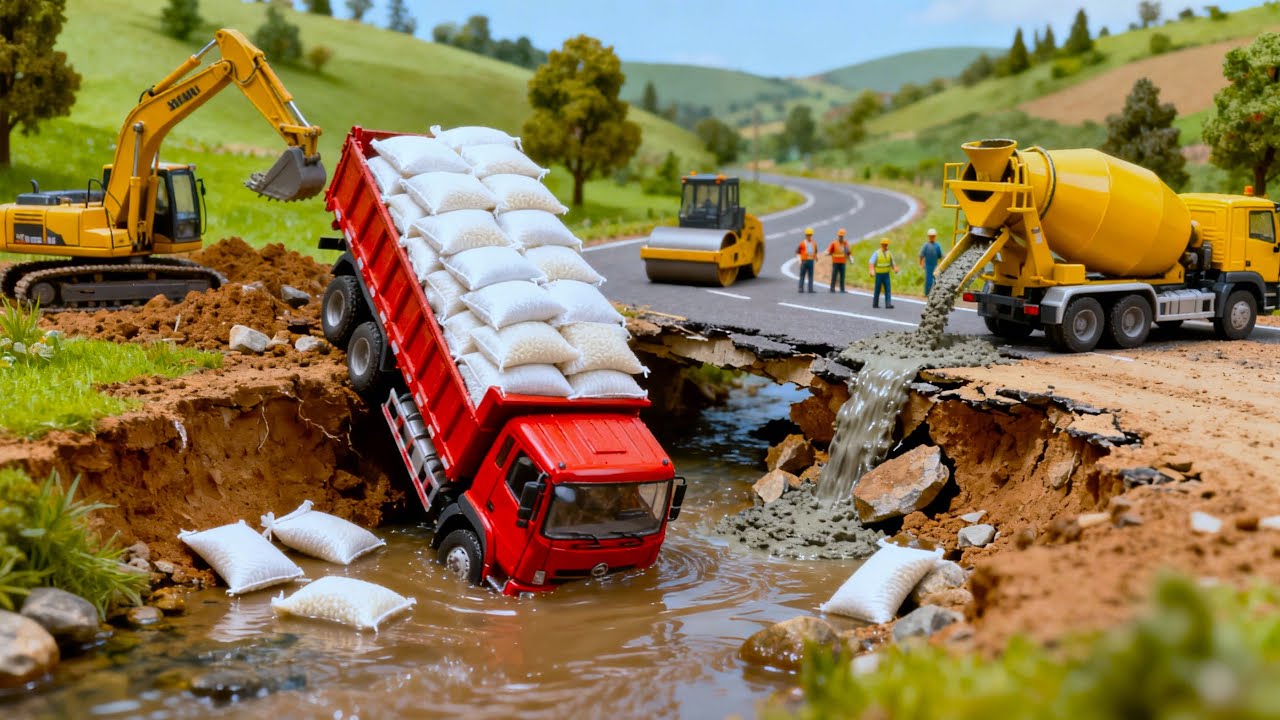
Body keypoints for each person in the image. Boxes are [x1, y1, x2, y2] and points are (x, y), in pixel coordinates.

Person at [868, 237, 899, 308]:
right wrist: (872, 271)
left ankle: (888, 304)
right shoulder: (877, 253)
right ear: (881, 244)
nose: (885, 245)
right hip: (879, 274)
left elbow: (892, 263)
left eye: (886, 244)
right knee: (877, 289)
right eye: (883, 244)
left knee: (888, 289)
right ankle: (875, 303)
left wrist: (895, 268)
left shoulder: (889, 253)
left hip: (886, 275)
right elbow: (871, 262)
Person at [918, 228, 944, 296]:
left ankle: (934, 293)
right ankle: (927, 293)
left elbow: (940, 256)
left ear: (935, 237)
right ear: (928, 237)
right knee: (928, 280)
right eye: (930, 236)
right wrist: (920, 263)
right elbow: (921, 255)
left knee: (935, 279)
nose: (932, 238)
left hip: (935, 265)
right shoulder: (926, 246)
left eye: (933, 236)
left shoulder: (937, 246)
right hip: (928, 265)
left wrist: (942, 264)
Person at [827, 228, 850, 293]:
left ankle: (842, 289)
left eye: (842, 236)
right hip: (836, 262)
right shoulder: (834, 243)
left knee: (842, 276)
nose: (841, 237)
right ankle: (832, 288)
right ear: (838, 236)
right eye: (840, 236)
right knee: (834, 275)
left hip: (843, 262)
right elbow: (830, 251)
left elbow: (848, 251)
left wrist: (850, 258)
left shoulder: (845, 243)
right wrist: (828, 253)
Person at [796, 227, 817, 293]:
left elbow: (815, 251)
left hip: (811, 261)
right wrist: (799, 260)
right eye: (808, 235)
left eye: (810, 235)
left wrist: (816, 258)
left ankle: (810, 289)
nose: (809, 236)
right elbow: (798, 252)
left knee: (810, 276)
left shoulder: (814, 243)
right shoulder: (802, 243)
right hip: (804, 261)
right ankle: (800, 288)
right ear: (806, 235)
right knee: (802, 275)